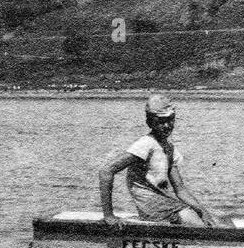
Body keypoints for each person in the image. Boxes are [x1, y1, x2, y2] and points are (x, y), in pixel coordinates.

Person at [99, 94, 235, 227]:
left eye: (170, 119)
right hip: (152, 208)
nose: (167, 125)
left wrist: (203, 211)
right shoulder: (146, 144)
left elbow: (180, 190)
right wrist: (109, 216)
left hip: (166, 203)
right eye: (161, 121)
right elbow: (107, 170)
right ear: (150, 122)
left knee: (222, 220)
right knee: (199, 223)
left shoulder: (169, 148)